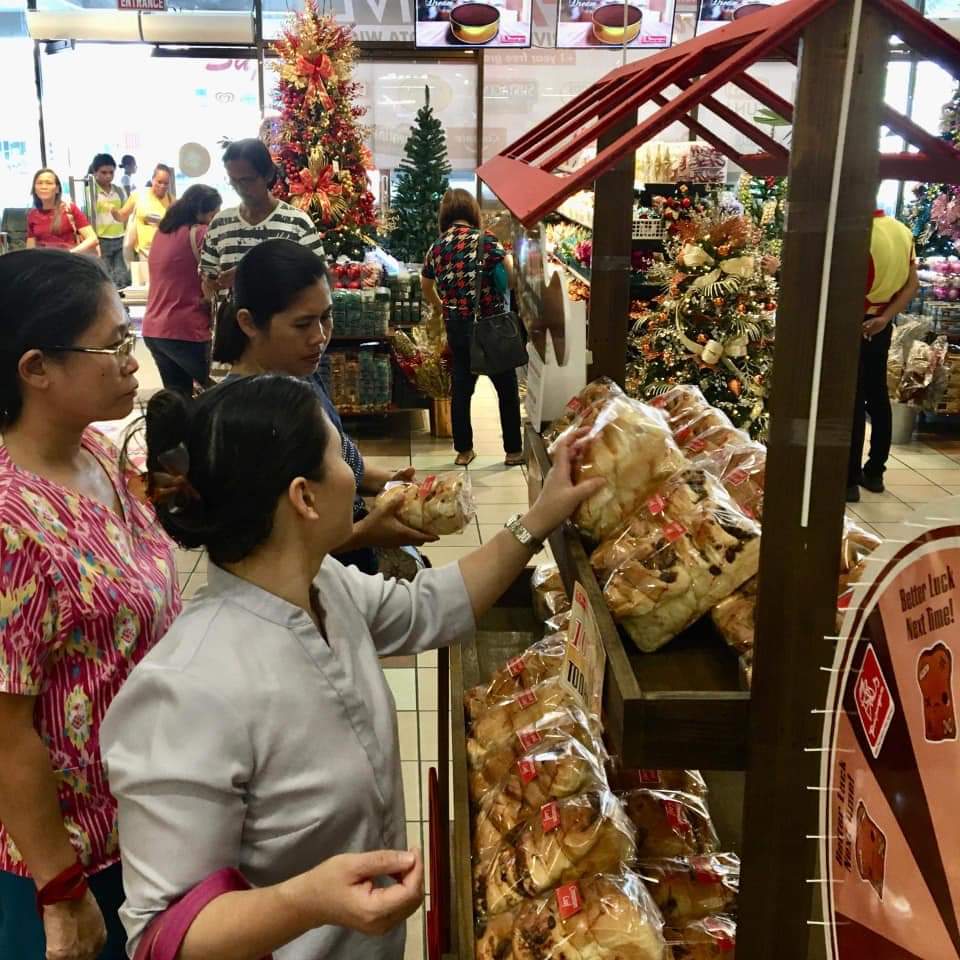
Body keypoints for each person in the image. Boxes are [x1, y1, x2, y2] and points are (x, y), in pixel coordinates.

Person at [100, 373, 600, 960]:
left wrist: (540, 516)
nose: (355, 474)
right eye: (341, 457)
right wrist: (308, 902)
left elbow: (429, 607)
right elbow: (163, 935)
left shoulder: (326, 587)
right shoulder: (186, 691)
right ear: (304, 498)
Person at [0, 250, 181, 960]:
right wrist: (61, 890)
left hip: (141, 823)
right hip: (65, 861)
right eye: (111, 346)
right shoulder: (11, 525)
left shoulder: (101, 454)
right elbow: (7, 734)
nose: (132, 361)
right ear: (36, 368)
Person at [212, 239, 434, 572]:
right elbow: (269, 548)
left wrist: (392, 484)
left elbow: (341, 460)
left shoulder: (301, 372)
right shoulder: (240, 419)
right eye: (302, 324)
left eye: (326, 318)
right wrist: (365, 532)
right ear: (248, 323)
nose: (319, 337)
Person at [421, 188, 523, 467]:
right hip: (490, 326)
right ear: (472, 212)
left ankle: (464, 451)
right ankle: (513, 451)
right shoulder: (486, 241)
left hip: (457, 328)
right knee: (506, 388)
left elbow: (426, 285)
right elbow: (511, 276)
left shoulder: (436, 248)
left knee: (462, 390)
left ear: (446, 215)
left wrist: (441, 306)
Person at [847, 211, 919, 502]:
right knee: (877, 394)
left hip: (853, 319)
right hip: (881, 322)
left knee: (852, 398)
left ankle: (849, 479)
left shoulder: (857, 232)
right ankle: (875, 470)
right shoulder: (902, 231)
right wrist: (886, 317)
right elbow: (912, 284)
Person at [200, 138, 324, 295]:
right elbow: (207, 280)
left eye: (247, 180)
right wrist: (211, 284)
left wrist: (248, 276)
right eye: (233, 181)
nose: (240, 188)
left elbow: (318, 281)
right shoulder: (219, 224)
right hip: (231, 311)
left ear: (268, 174)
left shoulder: (298, 223)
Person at [143, 185, 222, 397]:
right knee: (222, 391)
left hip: (154, 330)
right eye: (213, 213)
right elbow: (216, 275)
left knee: (178, 399)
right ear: (202, 211)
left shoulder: (162, 233)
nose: (214, 219)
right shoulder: (201, 233)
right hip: (187, 329)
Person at [25, 169, 98, 254]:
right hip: (43, 260)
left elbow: (92, 239)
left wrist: (70, 253)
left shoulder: (69, 209)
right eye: (39, 183)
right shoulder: (33, 215)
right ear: (34, 189)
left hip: (68, 259)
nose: (44, 187)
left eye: (49, 183)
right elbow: (30, 248)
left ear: (57, 189)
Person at [115, 163, 174, 260]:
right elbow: (122, 216)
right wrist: (112, 210)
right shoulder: (138, 195)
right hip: (144, 253)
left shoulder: (173, 201)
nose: (162, 186)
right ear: (152, 179)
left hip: (165, 253)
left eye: (166, 183)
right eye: (159, 182)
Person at [89, 154, 130, 289]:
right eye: (104, 172)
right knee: (105, 279)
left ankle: (122, 303)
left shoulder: (119, 191)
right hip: (101, 239)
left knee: (122, 278)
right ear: (95, 172)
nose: (108, 176)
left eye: (111, 172)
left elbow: (126, 214)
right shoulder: (90, 192)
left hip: (120, 238)